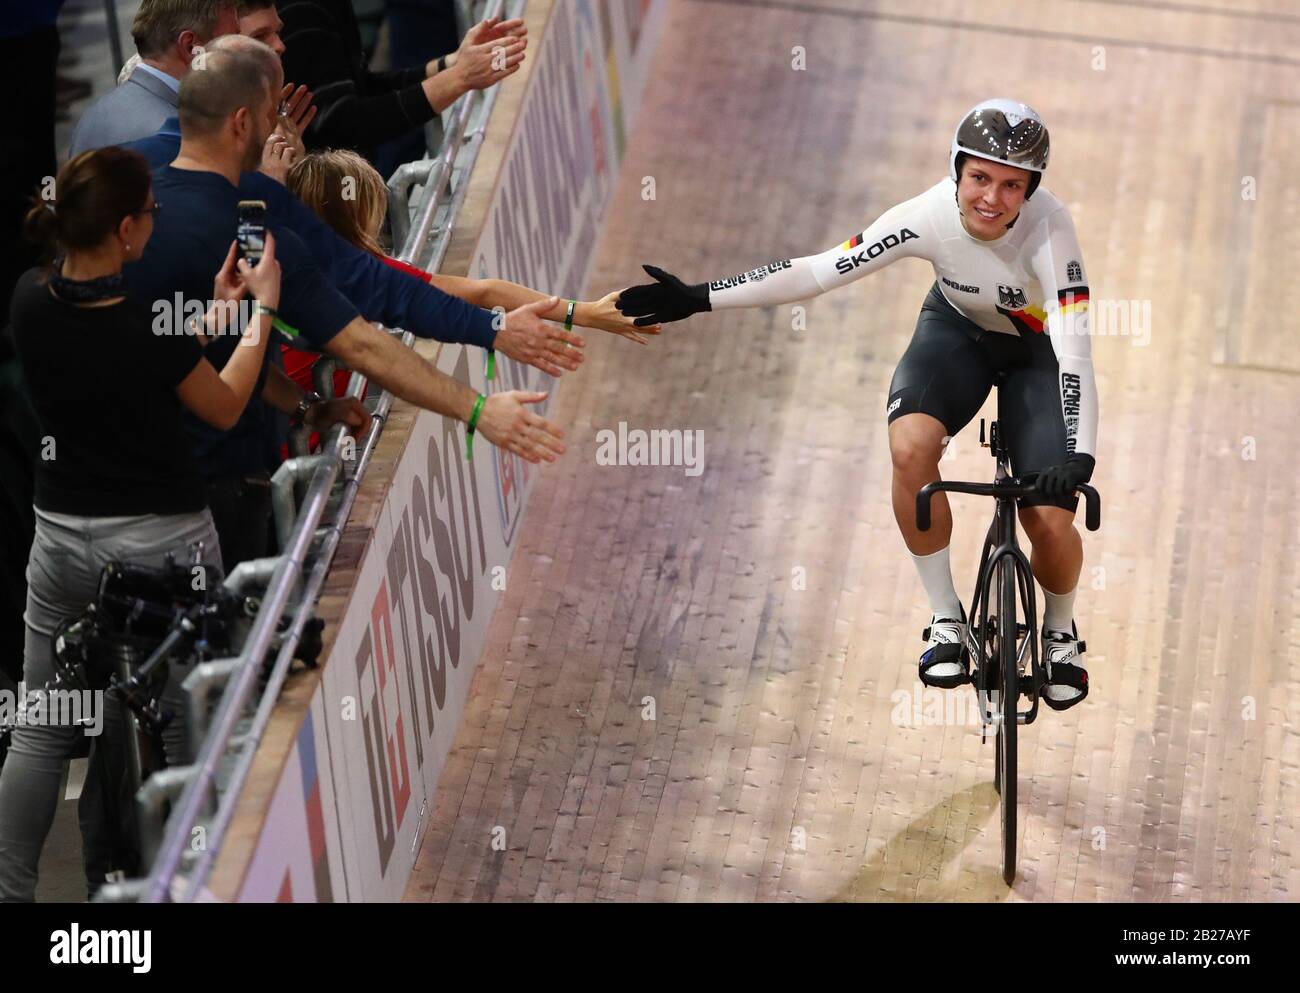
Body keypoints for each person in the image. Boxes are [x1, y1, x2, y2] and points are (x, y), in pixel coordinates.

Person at [617, 99, 1098, 710]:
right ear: (957, 172)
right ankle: (947, 620)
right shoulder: (925, 215)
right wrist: (701, 297)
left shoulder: (1053, 235)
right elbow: (821, 271)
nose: (991, 198)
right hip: (958, 336)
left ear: (1031, 189)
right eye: (979, 178)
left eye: (1011, 185)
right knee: (909, 448)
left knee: (1049, 516)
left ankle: (1060, 632)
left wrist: (1079, 457)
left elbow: (1076, 355)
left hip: (1038, 355)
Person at [124, 38, 565, 567]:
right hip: (207, 497)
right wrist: (477, 405)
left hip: (93, 494)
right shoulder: (253, 227)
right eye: (274, 114)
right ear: (242, 123)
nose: (282, 129)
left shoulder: (131, 184)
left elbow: (200, 346)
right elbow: (366, 326)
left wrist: (307, 406)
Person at [0, 146, 282, 901]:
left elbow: (131, 365)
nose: (154, 224)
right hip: (163, 546)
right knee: (193, 719)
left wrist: (214, 313)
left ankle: (11, 891)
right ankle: (201, 880)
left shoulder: (29, 299)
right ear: (125, 228)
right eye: (149, 215)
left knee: (40, 724)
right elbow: (220, 404)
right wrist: (261, 315)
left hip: (60, 537)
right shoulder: (139, 323)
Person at [283, 147, 656, 394]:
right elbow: (483, 293)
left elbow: (484, 293)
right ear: (354, 214)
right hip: (308, 445)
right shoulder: (363, 273)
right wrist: (584, 312)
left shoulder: (285, 257)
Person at [279, 1, 526, 164]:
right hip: (326, 205)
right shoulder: (299, 12)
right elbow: (345, 124)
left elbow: (362, 87)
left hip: (344, 195)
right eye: (260, 37)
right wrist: (459, 78)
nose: (275, 46)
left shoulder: (325, 6)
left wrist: (451, 64)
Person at [69, 0, 241, 156]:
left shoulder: (91, 117)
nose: (240, 59)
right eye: (231, 43)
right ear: (191, 47)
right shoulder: (179, 140)